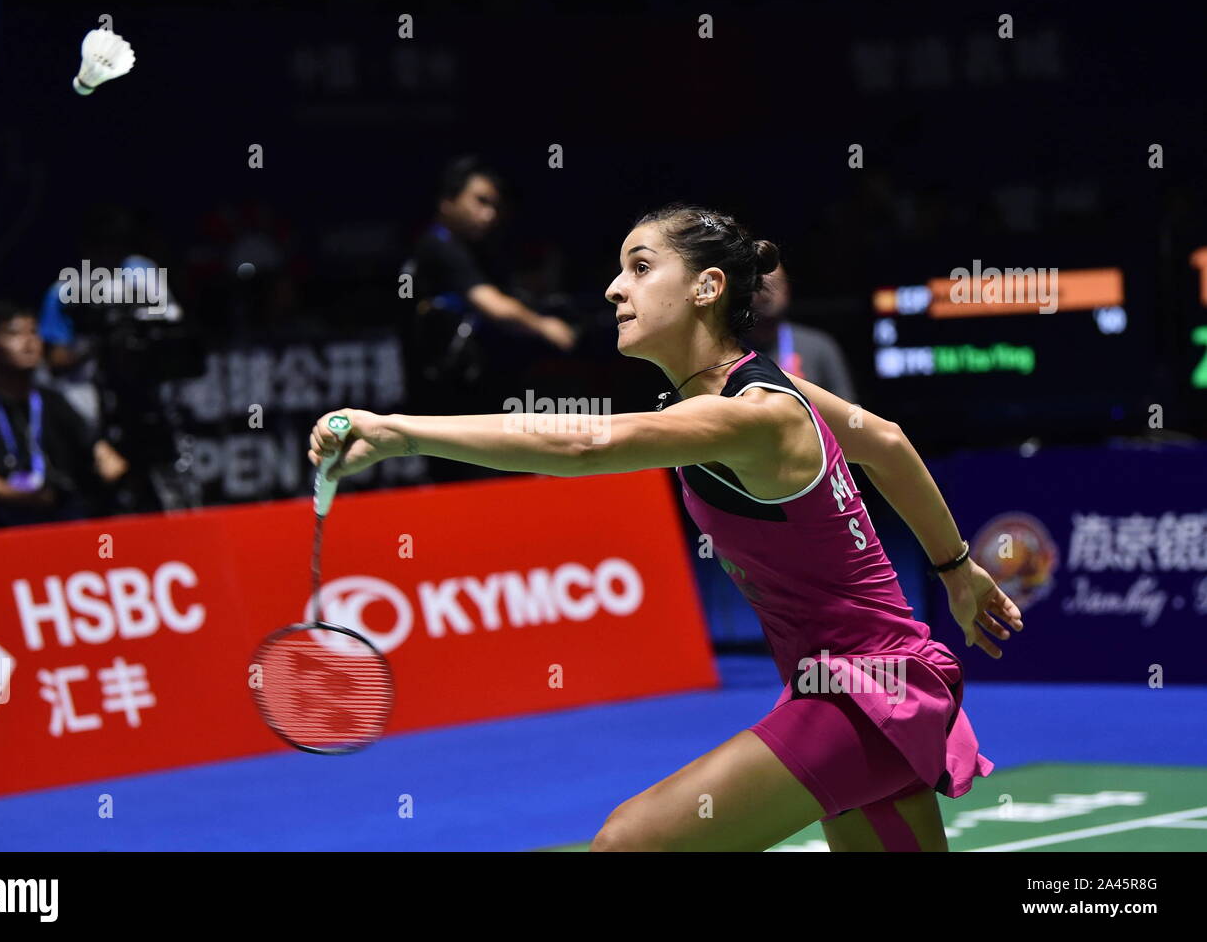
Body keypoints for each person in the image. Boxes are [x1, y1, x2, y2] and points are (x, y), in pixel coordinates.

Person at [307, 203, 1023, 852]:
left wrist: (399, 431)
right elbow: (890, 441)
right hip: (861, 684)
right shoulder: (761, 389)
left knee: (629, 844)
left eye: (641, 268)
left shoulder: (753, 414)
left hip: (865, 693)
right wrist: (956, 570)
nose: (616, 288)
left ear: (708, 287)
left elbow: (584, 444)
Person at [402, 155, 576, 408]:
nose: (489, 215)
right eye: (480, 202)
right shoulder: (438, 246)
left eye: (494, 206)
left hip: (461, 385)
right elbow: (493, 305)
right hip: (439, 393)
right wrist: (545, 326)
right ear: (447, 201)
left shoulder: (471, 248)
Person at [0, 300, 128, 530]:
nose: (29, 342)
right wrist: (33, 500)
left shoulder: (53, 400)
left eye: (33, 332)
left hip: (60, 524)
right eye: (14, 333)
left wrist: (106, 469)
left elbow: (104, 457)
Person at [747, 263, 857, 403]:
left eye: (774, 285)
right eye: (760, 286)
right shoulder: (730, 349)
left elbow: (850, 409)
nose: (767, 294)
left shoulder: (819, 347)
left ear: (787, 291)